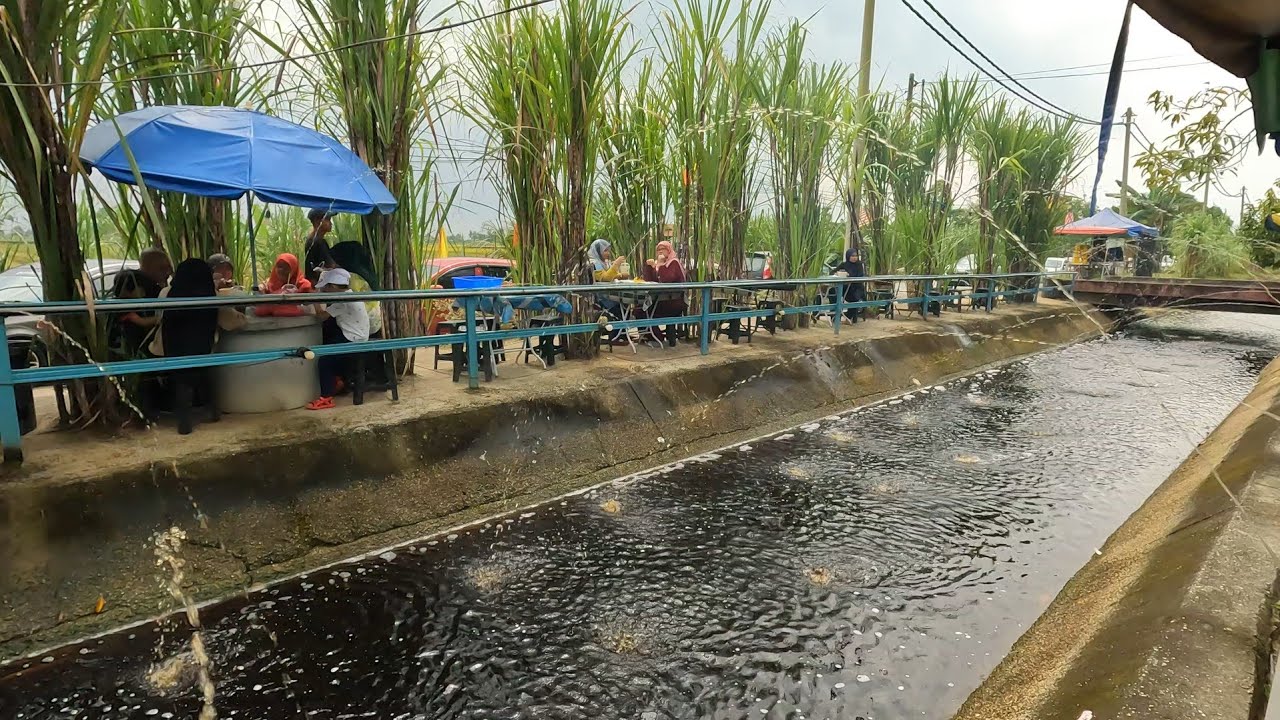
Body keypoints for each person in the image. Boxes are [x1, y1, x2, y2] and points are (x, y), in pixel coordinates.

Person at [148, 259, 248, 434]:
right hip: (200, 350)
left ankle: (182, 419)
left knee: (181, 376)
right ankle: (212, 412)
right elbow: (233, 322)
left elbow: (158, 317)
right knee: (202, 372)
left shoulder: (166, 293)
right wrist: (243, 314)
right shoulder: (211, 297)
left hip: (170, 350)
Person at [307, 268, 369, 411]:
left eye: (325, 288)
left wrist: (313, 301)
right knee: (331, 341)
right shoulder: (350, 295)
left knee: (324, 360)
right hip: (357, 336)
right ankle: (338, 382)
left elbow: (320, 317)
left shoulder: (342, 300)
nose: (323, 292)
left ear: (332, 287)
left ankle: (326, 397)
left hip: (353, 339)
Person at [641, 240, 687, 346]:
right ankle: (656, 337)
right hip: (662, 300)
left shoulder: (673, 262)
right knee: (640, 309)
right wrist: (650, 267)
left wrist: (660, 265)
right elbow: (650, 281)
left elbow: (666, 279)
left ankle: (657, 338)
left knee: (643, 311)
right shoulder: (660, 265)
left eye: (663, 249)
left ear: (669, 250)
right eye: (658, 250)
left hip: (674, 301)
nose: (661, 252)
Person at [587, 238, 629, 345]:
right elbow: (605, 278)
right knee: (619, 307)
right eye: (605, 250)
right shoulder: (594, 263)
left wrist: (620, 275)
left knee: (626, 304)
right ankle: (615, 335)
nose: (607, 253)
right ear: (598, 251)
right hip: (600, 297)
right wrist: (616, 264)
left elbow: (610, 275)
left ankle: (622, 334)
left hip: (608, 294)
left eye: (608, 250)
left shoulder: (602, 262)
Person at [831, 248, 867, 324]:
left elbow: (860, 276)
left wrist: (849, 275)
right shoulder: (844, 264)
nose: (854, 257)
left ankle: (849, 317)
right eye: (852, 256)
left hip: (856, 287)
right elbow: (832, 272)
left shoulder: (859, 265)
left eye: (856, 256)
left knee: (855, 297)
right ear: (848, 256)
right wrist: (837, 273)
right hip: (845, 287)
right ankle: (834, 315)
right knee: (832, 292)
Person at [304, 208, 338, 286]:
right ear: (318, 221)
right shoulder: (317, 242)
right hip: (320, 285)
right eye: (328, 219)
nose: (331, 223)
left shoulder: (314, 240)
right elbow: (332, 266)